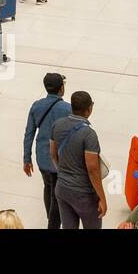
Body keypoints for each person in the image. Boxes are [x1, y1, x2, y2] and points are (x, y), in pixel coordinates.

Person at [49, 90, 107, 229]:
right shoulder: (89, 134)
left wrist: (63, 173)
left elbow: (53, 154)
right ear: (89, 109)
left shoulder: (57, 125)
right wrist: (102, 198)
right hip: (83, 194)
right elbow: (92, 169)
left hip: (62, 189)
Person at [23, 72, 70, 229]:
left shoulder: (37, 106)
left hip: (42, 157)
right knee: (57, 194)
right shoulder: (68, 109)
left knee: (48, 187)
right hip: (60, 159)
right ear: (61, 88)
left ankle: (51, 219)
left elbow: (29, 134)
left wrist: (26, 159)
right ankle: (53, 224)